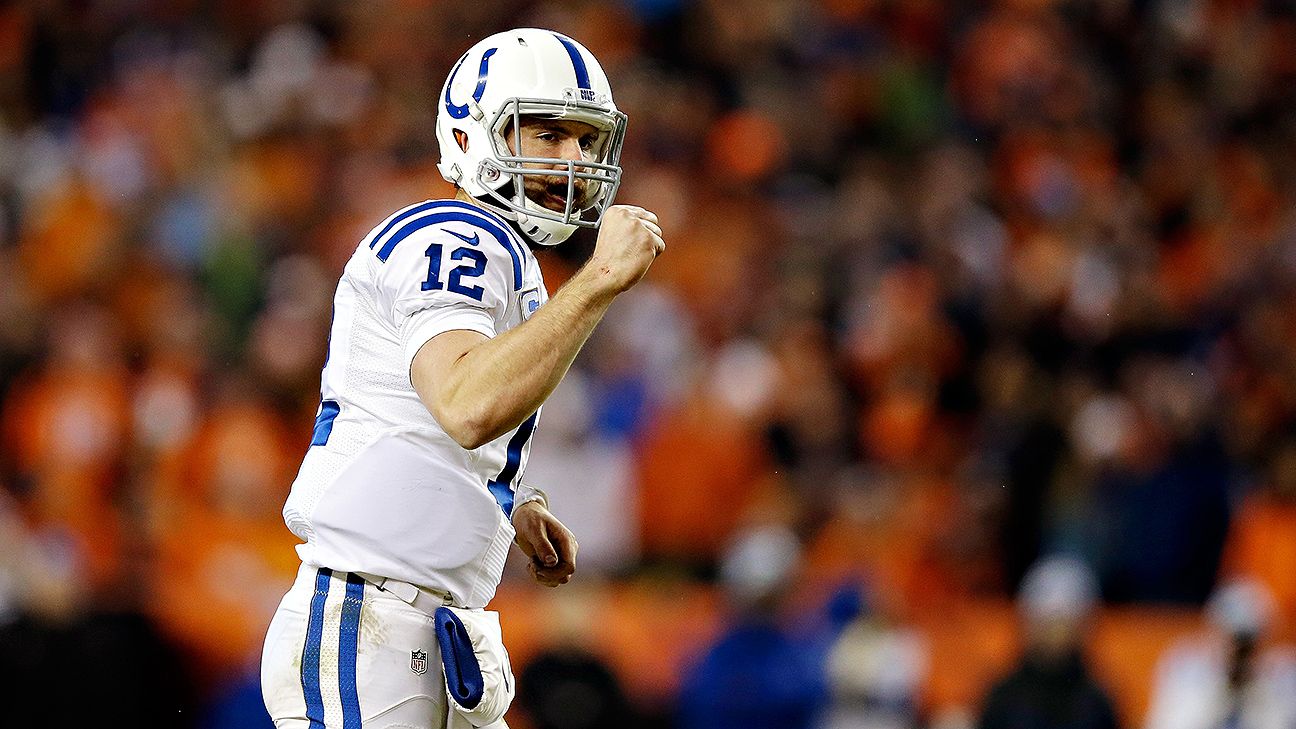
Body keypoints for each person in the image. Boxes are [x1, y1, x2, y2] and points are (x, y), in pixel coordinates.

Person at [260, 28, 665, 729]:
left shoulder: (498, 252)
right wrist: (601, 277)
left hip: (417, 625)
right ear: (471, 135)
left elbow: (422, 416)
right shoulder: (452, 235)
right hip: (371, 623)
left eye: (585, 140)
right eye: (548, 134)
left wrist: (506, 502)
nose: (574, 160)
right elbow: (465, 402)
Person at [977, 556, 1120, 729]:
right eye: (1047, 624)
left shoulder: (1096, 703)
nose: (1055, 635)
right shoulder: (1003, 698)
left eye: (1064, 624)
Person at [1143, 578, 1296, 729]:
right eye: (1231, 638)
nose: (1238, 651)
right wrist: (1219, 688)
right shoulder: (1185, 664)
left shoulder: (1283, 673)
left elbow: (1281, 722)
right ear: (1213, 631)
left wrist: (1257, 687)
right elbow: (1166, 723)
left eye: (1248, 642)